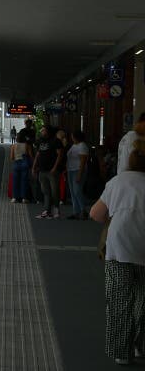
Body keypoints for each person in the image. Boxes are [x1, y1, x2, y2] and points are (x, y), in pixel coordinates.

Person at [90, 140, 145, 365]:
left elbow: (96, 214)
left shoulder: (118, 181)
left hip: (119, 248)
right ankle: (140, 344)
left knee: (119, 300)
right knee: (143, 300)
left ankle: (121, 352)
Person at [32, 125, 65, 219]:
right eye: (41, 129)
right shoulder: (40, 141)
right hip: (42, 170)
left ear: (48, 131)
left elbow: (60, 154)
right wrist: (34, 167)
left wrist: (55, 167)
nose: (41, 131)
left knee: (55, 191)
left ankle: (56, 208)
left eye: (43, 130)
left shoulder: (56, 141)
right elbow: (38, 154)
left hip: (52, 171)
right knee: (45, 191)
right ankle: (47, 210)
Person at [66, 130, 90, 219]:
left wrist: (80, 174)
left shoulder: (82, 146)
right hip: (71, 170)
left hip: (78, 170)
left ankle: (83, 210)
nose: (71, 137)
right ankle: (76, 211)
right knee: (73, 192)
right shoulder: (74, 145)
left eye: (72, 136)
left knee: (77, 190)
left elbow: (83, 161)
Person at [10, 132, 33, 203]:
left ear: (17, 138)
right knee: (24, 181)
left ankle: (14, 197)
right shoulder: (27, 145)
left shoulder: (14, 146)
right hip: (25, 163)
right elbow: (31, 156)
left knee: (15, 181)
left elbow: (11, 157)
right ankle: (24, 198)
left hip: (16, 163)